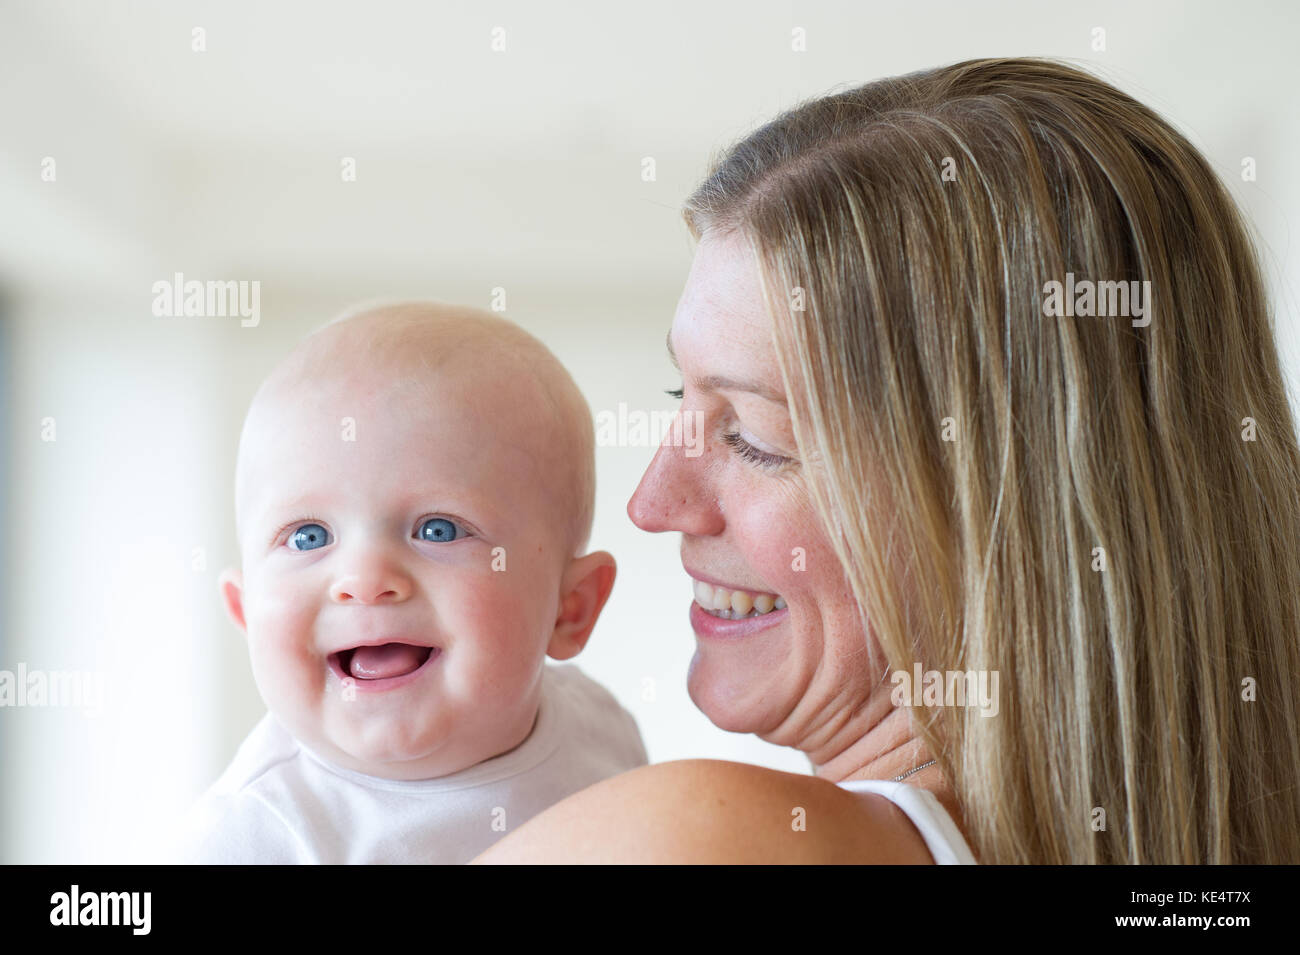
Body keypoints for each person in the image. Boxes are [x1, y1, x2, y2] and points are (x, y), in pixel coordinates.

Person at [474, 57, 1300, 864]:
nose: (654, 502)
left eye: (753, 437)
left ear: (1007, 503)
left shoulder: (704, 836)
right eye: (677, 401)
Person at [167, 302, 647, 863]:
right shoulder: (253, 838)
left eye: (437, 529)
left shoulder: (600, 733)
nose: (364, 581)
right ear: (245, 614)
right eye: (308, 537)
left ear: (571, 609)